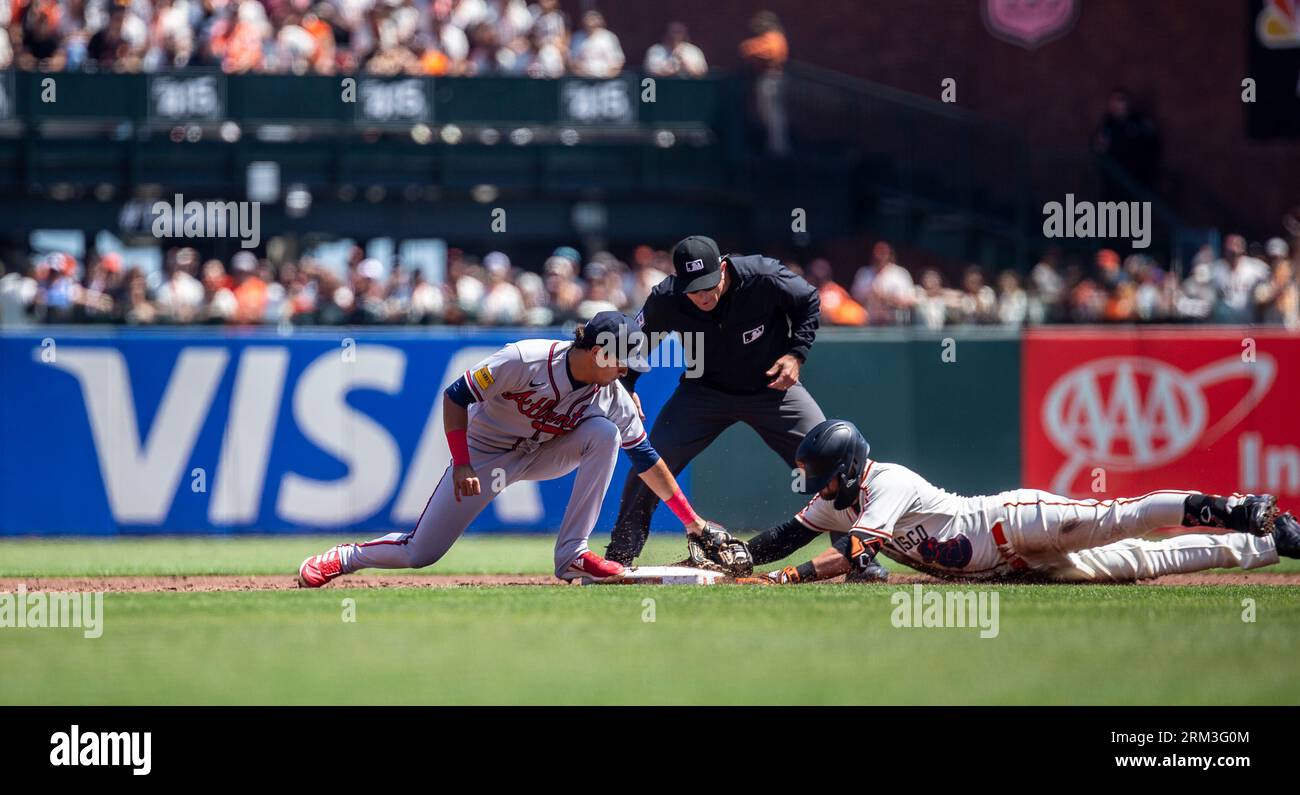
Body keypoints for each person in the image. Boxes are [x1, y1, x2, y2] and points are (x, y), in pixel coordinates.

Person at [297, 311, 737, 586]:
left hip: (545, 452)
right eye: (622, 360)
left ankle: (572, 555)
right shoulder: (524, 358)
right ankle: (346, 557)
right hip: (487, 456)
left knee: (604, 433)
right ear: (600, 352)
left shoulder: (611, 394)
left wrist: (693, 523)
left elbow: (646, 459)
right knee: (420, 553)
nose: (626, 370)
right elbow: (455, 396)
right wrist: (461, 463)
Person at [603, 235, 887, 581]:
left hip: (773, 387)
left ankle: (858, 560)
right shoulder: (667, 298)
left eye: (709, 284)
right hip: (703, 391)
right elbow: (634, 341)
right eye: (694, 289)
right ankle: (619, 558)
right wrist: (627, 384)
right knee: (651, 461)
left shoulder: (763, 276)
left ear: (723, 268)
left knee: (830, 457)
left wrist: (796, 353)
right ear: (679, 282)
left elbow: (809, 300)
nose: (703, 295)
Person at [737, 420, 1292, 585]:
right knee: (1148, 563)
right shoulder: (837, 503)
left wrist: (791, 579)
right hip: (1016, 569)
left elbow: (858, 547)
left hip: (1013, 523)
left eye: (825, 478)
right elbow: (787, 536)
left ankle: (1238, 510)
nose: (818, 489)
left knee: (1122, 517)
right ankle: (1267, 544)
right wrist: (736, 558)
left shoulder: (888, 482)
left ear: (849, 469)